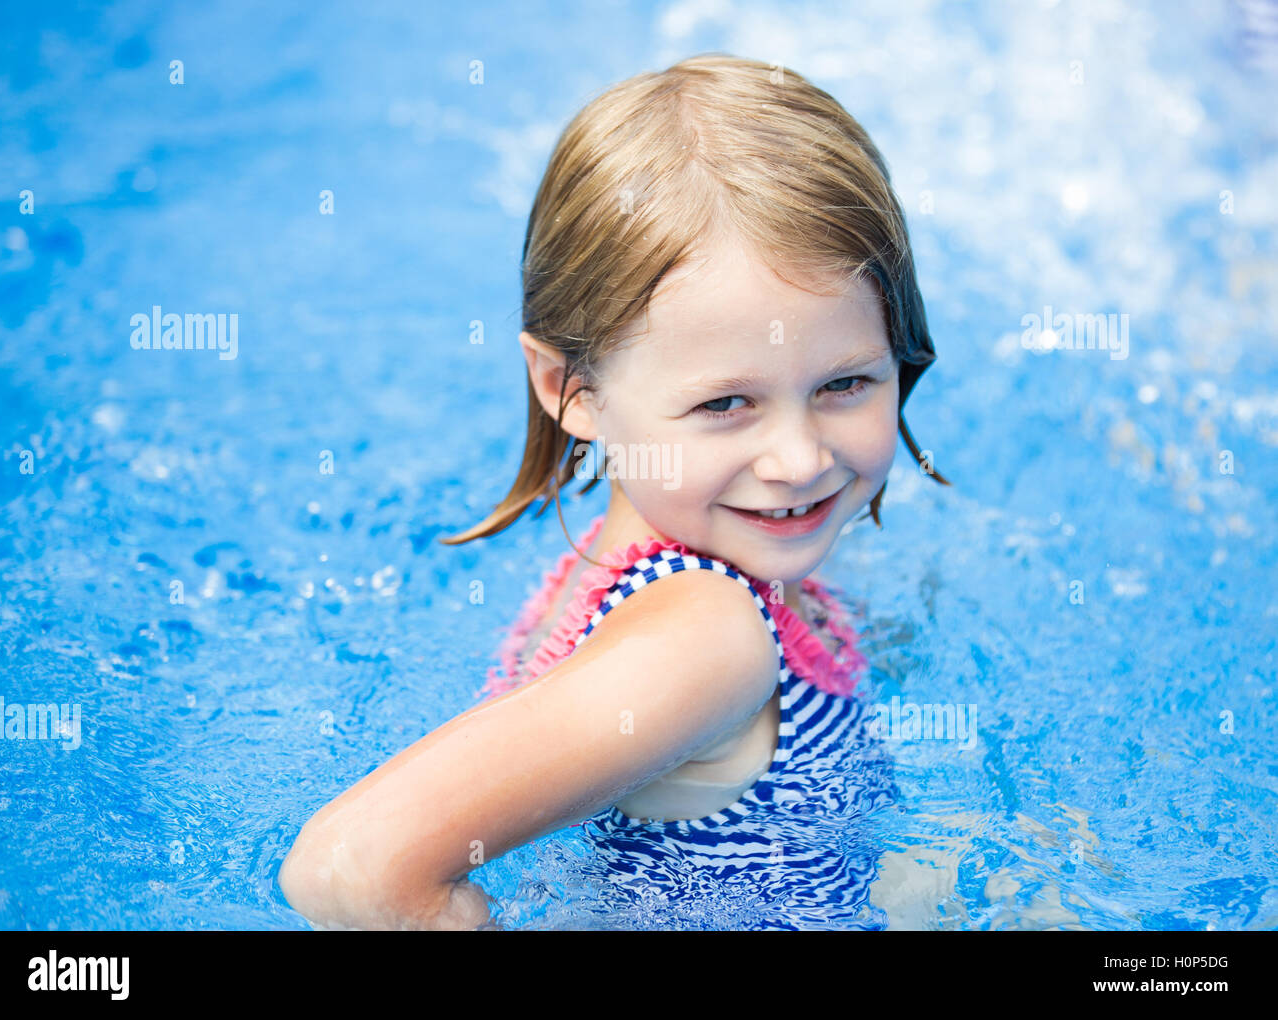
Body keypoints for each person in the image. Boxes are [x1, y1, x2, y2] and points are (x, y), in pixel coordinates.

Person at [279, 52, 950, 931]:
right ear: (570, 390)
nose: (798, 459)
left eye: (845, 385)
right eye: (726, 403)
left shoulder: (657, 556)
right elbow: (352, 870)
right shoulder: (705, 635)